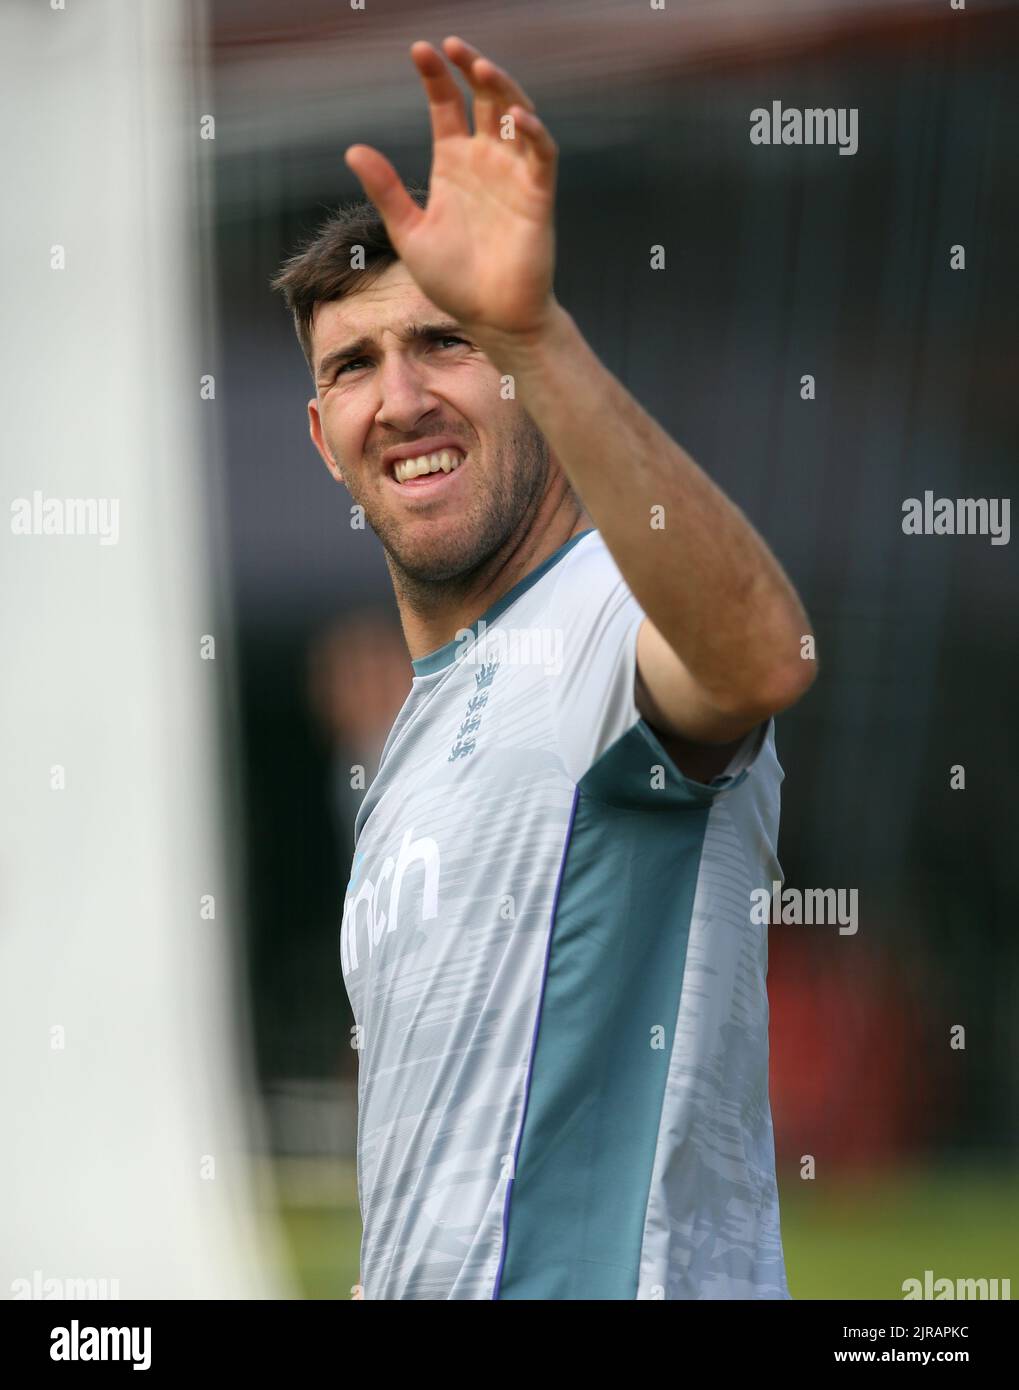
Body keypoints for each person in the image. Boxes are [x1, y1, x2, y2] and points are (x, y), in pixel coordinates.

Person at [271, 35, 817, 1300]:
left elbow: (760, 656)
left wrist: (534, 328)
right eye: (353, 366)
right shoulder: (409, 743)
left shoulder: (607, 615)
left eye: (446, 344)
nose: (398, 398)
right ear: (321, 435)